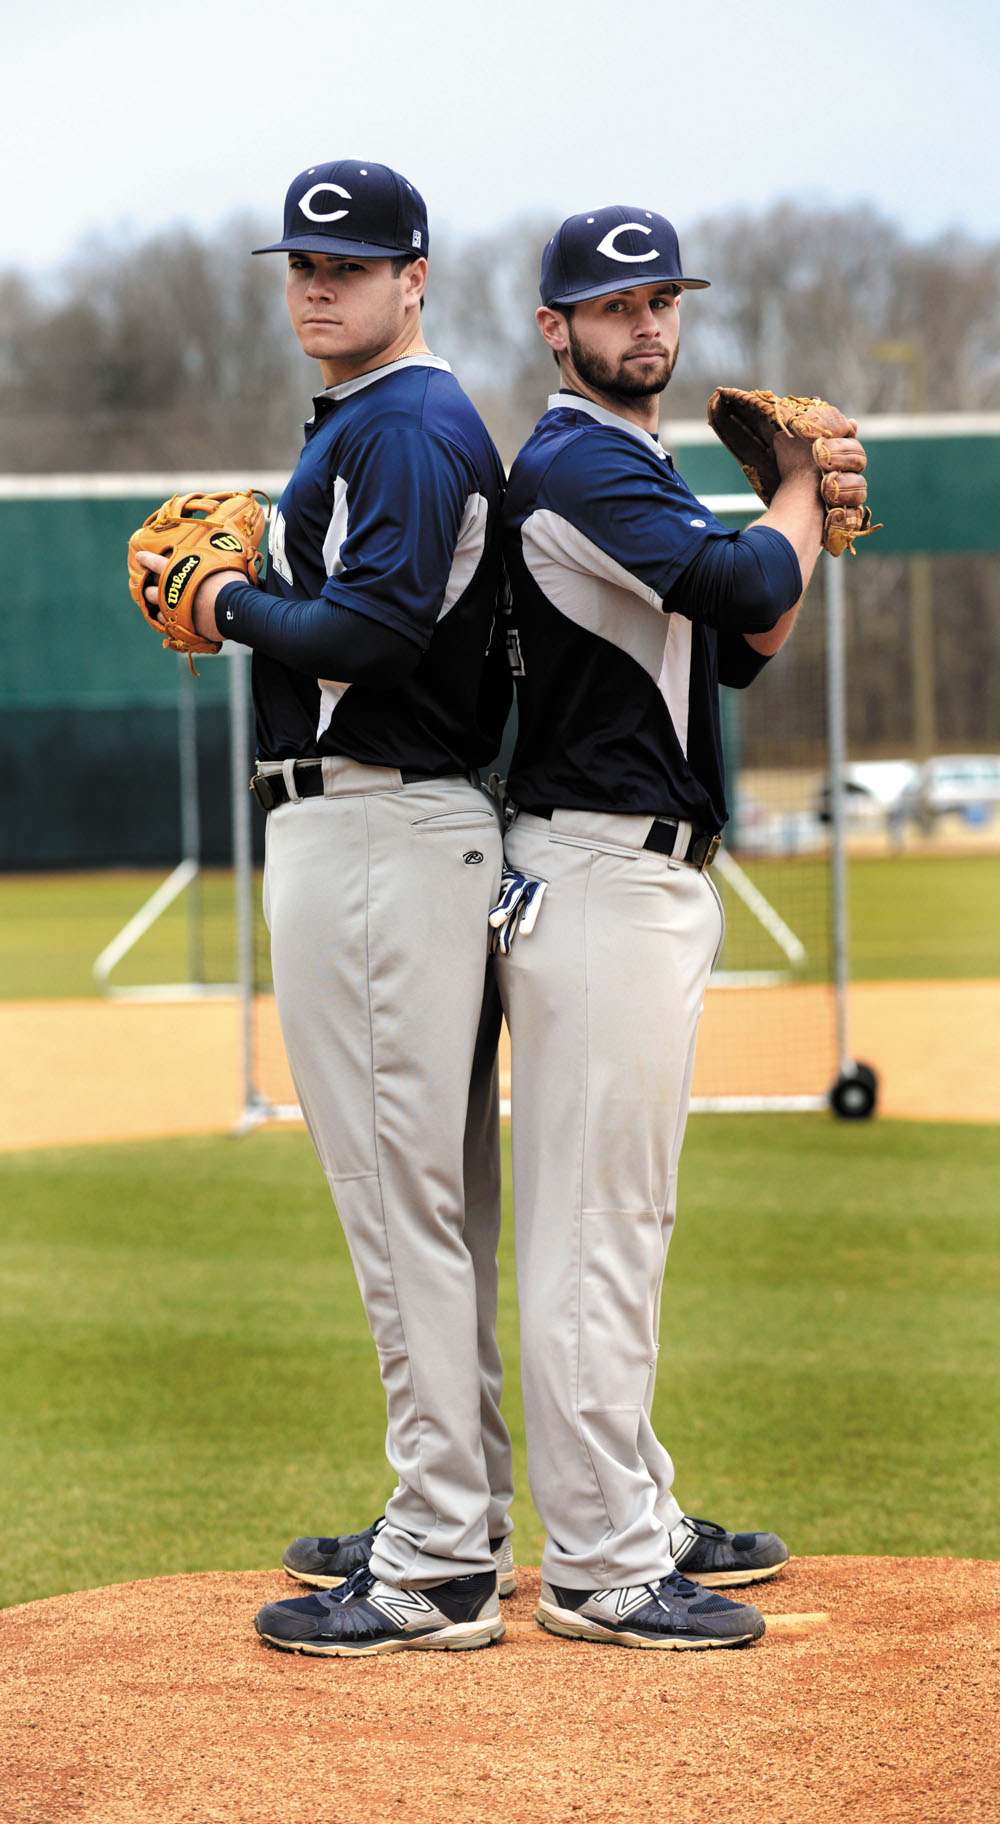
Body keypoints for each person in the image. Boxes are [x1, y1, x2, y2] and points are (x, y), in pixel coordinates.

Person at [138, 159, 515, 1656]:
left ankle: (435, 1561)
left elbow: (376, 623)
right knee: (430, 1201)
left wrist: (227, 602)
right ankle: (452, 1508)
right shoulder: (377, 421)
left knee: (395, 1200)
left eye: (349, 265)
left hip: (379, 833)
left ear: (415, 278)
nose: (316, 284)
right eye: (301, 261)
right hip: (386, 837)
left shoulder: (413, 423)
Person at [490, 204, 866, 1651]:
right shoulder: (579, 456)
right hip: (592, 871)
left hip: (629, 872)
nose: (647, 325)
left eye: (661, 300)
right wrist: (790, 491)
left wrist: (797, 516)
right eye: (613, 303)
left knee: (621, 1217)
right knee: (596, 1222)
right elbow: (748, 577)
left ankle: (630, 1504)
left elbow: (740, 645)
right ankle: (598, 1563)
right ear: (555, 329)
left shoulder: (627, 460)